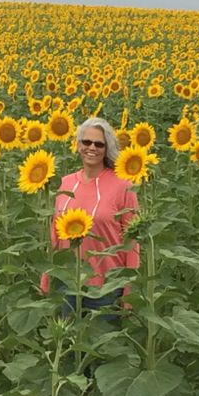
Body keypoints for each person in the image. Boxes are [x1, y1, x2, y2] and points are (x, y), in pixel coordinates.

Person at [41, 117, 139, 312]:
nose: (92, 148)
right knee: (67, 340)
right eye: (86, 142)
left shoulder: (123, 186)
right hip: (67, 283)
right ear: (78, 145)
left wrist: (130, 292)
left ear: (107, 148)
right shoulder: (66, 183)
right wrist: (46, 277)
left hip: (106, 287)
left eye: (99, 144)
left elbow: (132, 241)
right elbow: (55, 236)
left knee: (100, 340)